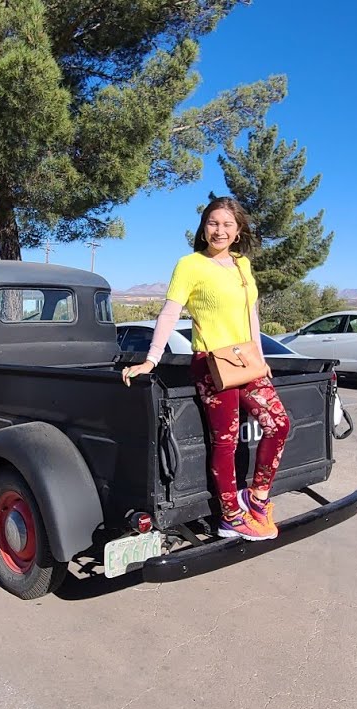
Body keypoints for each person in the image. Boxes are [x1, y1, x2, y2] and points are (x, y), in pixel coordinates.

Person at [120, 197, 290, 541]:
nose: (220, 230)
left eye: (228, 224)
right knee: (224, 442)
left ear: (239, 230)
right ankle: (229, 515)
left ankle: (256, 498)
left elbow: (250, 313)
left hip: (246, 361)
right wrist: (151, 359)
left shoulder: (242, 265)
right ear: (203, 228)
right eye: (213, 223)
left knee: (279, 424)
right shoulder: (190, 265)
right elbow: (169, 314)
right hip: (212, 363)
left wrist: (260, 357)